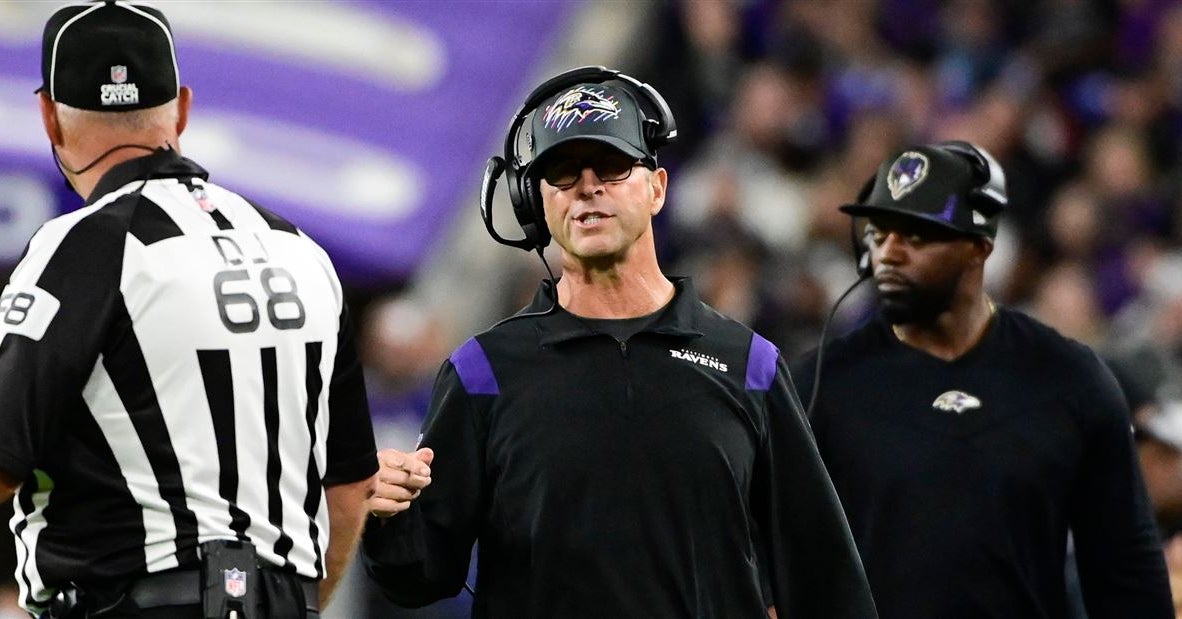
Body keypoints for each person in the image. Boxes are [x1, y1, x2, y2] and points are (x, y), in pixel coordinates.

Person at [360, 68, 877, 617]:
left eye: (611, 165)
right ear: (536, 202)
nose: (588, 186)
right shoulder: (484, 371)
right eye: (561, 172)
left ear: (656, 188)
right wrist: (388, 513)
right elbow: (418, 577)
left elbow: (825, 581)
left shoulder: (747, 364)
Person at [0, 2, 377, 617]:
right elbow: (350, 487)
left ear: (48, 114)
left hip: (134, 600)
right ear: (181, 106)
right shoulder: (300, 249)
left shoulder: (83, 245)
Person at [792, 140, 1173, 619]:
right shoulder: (820, 382)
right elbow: (773, 558)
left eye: (915, 237)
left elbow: (1125, 570)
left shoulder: (1068, 378)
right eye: (880, 233)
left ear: (979, 247)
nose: (889, 254)